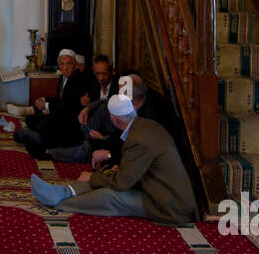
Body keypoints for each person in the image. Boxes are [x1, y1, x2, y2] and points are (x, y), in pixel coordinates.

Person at [29, 95, 199, 225]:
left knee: (110, 195)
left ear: (114, 119)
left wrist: (93, 176)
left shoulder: (138, 139)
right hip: (154, 187)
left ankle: (61, 203)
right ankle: (61, 192)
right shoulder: (147, 125)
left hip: (170, 205)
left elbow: (122, 183)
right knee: (106, 176)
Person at [14, 49, 93, 157]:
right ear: (59, 66)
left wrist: (46, 105)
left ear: (75, 65)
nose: (65, 67)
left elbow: (68, 106)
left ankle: (36, 139)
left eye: (69, 63)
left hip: (69, 121)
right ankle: (34, 136)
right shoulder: (63, 77)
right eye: (62, 64)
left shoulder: (78, 78)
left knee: (43, 126)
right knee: (31, 120)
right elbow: (59, 99)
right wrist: (45, 99)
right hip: (59, 114)